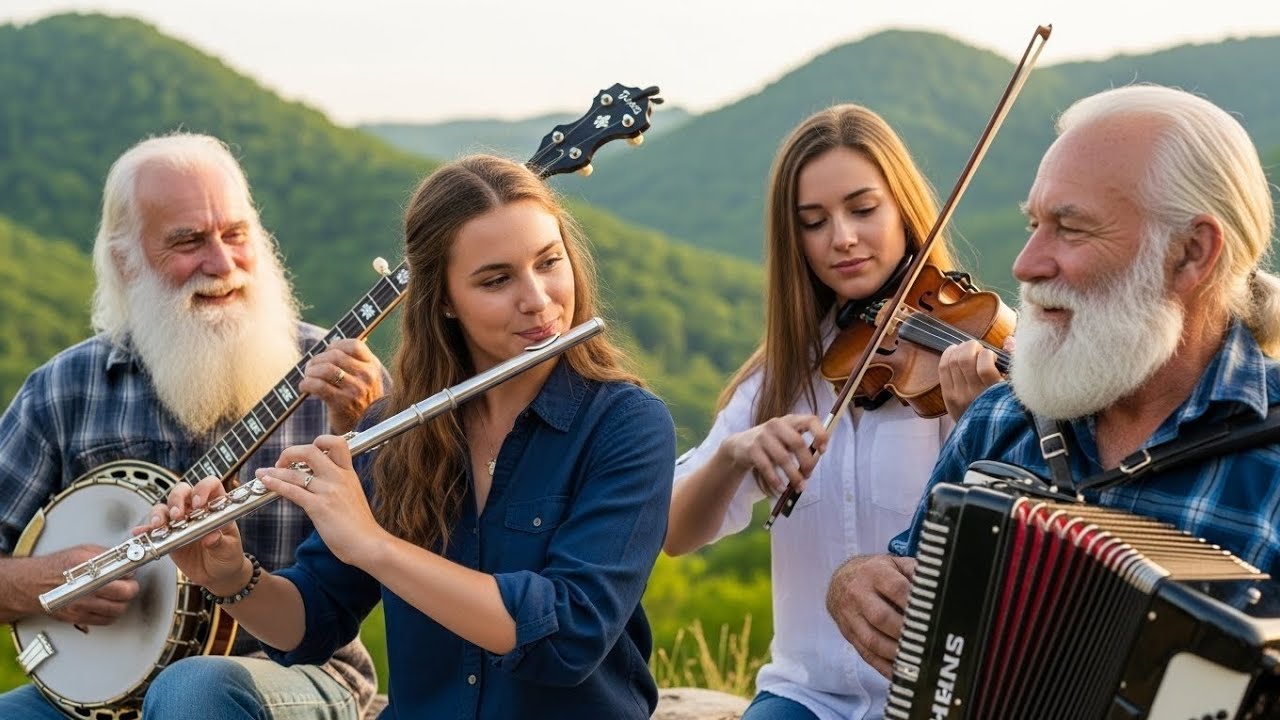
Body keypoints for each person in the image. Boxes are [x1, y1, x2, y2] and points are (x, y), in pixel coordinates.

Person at [142, 154, 677, 719]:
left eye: (548, 263)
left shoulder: (626, 425)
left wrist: (373, 544)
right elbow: (312, 621)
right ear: (443, 299)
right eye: (496, 280)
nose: (538, 299)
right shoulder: (392, 431)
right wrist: (229, 577)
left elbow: (567, 635)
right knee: (192, 689)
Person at [829, 84, 1280, 683]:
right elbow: (916, 598)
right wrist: (855, 583)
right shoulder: (999, 417)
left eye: (1070, 228)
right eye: (1034, 223)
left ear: (1190, 253)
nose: (1025, 264)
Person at [0, 132, 385, 719]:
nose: (221, 263)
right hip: (96, 696)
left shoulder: (338, 382)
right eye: (188, 241)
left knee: (192, 694)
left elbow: (403, 557)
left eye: (236, 235)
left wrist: (364, 435)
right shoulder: (63, 389)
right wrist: (42, 583)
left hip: (298, 673)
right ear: (127, 260)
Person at [663, 104, 1003, 720]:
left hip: (947, 699)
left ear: (903, 208)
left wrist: (986, 428)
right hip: (805, 697)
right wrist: (733, 456)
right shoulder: (781, 378)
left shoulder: (974, 359)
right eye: (814, 222)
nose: (841, 238)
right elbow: (674, 534)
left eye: (863, 209)